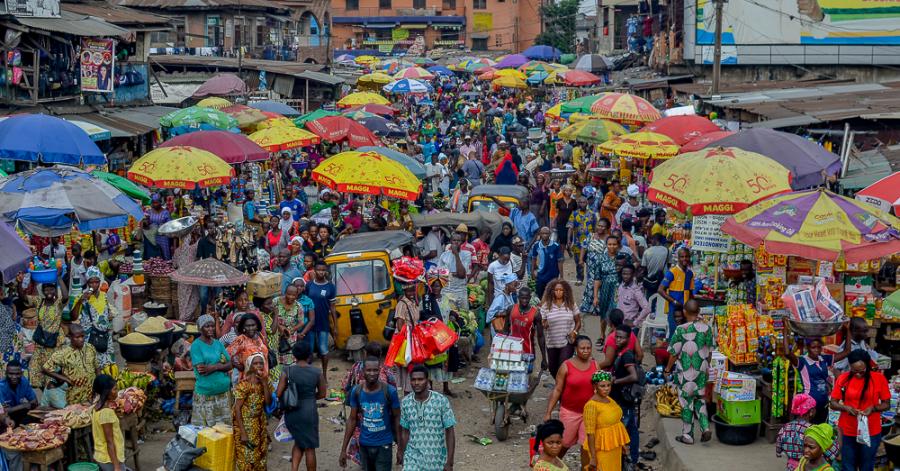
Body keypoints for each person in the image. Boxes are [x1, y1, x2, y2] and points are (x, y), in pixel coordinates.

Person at [830, 349, 891, 471]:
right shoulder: (843, 378)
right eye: (854, 371)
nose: (858, 374)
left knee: (866, 466)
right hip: (847, 430)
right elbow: (833, 403)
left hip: (871, 431)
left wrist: (873, 408)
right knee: (847, 466)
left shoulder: (879, 379)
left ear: (868, 366)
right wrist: (845, 407)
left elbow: (886, 405)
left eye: (862, 371)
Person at [664, 300, 713, 444]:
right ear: (698, 312)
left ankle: (688, 436)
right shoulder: (707, 329)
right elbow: (709, 352)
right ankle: (705, 428)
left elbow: (673, 353)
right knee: (699, 399)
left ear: (685, 312)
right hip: (702, 369)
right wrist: (707, 368)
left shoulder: (681, 329)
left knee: (686, 402)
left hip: (686, 372)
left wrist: (667, 369)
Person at [340, 356, 401, 471]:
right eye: (368, 370)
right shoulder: (356, 391)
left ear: (379, 370)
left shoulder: (390, 391)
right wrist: (344, 450)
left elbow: (397, 418)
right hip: (364, 444)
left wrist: (400, 448)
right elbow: (352, 420)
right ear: (363, 372)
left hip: (384, 445)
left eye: (375, 370)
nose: (372, 373)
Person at [544, 336, 597, 467]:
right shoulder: (566, 366)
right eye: (582, 348)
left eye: (588, 348)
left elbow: (600, 388)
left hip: (589, 413)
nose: (586, 351)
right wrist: (548, 412)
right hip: (569, 412)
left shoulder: (595, 365)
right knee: (564, 443)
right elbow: (557, 390)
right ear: (575, 349)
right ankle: (551, 465)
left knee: (586, 446)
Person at [277, 341, 326, 471]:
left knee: (299, 441)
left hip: (292, 411)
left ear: (294, 355)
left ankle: (294, 469)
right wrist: (310, 397)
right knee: (310, 447)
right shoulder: (316, 372)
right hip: (309, 411)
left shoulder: (287, 370)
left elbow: (278, 393)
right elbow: (322, 394)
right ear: (309, 355)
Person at [398, 364, 456, 471]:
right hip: (412, 457)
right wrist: (402, 451)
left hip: (436, 459)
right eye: (413, 380)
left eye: (420, 379)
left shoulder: (441, 401)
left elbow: (450, 431)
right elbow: (405, 431)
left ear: (427, 380)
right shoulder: (405, 402)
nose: (416, 383)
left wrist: (450, 461)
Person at [18, 277, 66, 390]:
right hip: (40, 343)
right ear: (43, 291)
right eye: (46, 290)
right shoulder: (39, 301)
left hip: (53, 344)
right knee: (36, 371)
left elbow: (66, 296)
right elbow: (23, 297)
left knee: (51, 373)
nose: (49, 292)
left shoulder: (58, 303)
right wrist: (20, 283)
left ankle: (52, 398)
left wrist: (59, 278)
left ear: (55, 290)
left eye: (51, 289)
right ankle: (45, 395)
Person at [783, 323, 833, 424]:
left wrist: (848, 330)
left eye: (819, 347)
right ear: (807, 347)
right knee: (809, 431)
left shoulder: (824, 359)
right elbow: (787, 353)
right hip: (809, 406)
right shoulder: (802, 362)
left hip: (823, 403)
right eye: (813, 347)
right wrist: (785, 329)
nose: (817, 350)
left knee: (822, 432)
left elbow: (847, 352)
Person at [776, 393, 839, 471]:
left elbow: (778, 452)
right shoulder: (813, 431)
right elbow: (833, 453)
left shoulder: (785, 428)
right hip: (812, 467)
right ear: (811, 411)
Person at [582, 370, 630, 471]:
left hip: (614, 446)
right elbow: (590, 433)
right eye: (602, 386)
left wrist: (623, 445)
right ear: (595, 386)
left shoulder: (609, 399)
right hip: (602, 449)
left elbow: (616, 424)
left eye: (608, 385)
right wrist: (593, 458)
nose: (606, 389)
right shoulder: (591, 406)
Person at [190, 314, 232, 427]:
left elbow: (230, 363)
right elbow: (202, 370)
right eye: (207, 326)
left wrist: (214, 367)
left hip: (223, 392)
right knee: (206, 430)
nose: (211, 329)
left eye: (212, 326)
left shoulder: (218, 343)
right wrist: (221, 365)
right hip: (206, 393)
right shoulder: (196, 346)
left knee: (224, 429)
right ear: (200, 328)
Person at [43, 324, 99, 406]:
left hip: (91, 391)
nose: (81, 339)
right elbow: (45, 369)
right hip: (75, 395)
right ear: (70, 337)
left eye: (83, 336)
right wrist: (66, 379)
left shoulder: (90, 348)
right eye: (77, 337)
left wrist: (99, 384)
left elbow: (97, 367)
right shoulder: (63, 353)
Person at [233, 353, 271, 471]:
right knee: (247, 459)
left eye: (261, 363)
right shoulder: (244, 385)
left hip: (260, 423)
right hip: (245, 424)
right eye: (255, 363)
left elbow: (268, 403)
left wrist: (264, 383)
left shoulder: (265, 381)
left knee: (260, 455)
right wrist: (243, 433)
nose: (259, 365)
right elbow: (237, 409)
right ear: (250, 366)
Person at [71, 267, 114, 368]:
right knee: (91, 364)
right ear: (87, 282)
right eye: (91, 282)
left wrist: (110, 326)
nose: (94, 285)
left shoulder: (104, 296)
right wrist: (80, 301)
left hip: (104, 336)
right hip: (90, 338)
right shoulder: (82, 297)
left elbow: (108, 314)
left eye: (96, 282)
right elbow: (73, 317)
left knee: (107, 365)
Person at [609, 325, 640, 466]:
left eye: (621, 337)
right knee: (632, 429)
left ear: (628, 339)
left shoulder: (627, 355)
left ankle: (628, 460)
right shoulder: (620, 352)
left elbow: (633, 376)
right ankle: (631, 459)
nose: (618, 340)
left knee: (625, 431)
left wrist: (615, 381)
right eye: (617, 336)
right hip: (622, 399)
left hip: (624, 400)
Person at [581, 235, 620, 337]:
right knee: (603, 314)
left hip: (617, 289)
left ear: (618, 245)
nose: (612, 247)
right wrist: (595, 296)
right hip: (605, 289)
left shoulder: (622, 257)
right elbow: (597, 279)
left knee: (613, 312)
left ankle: (611, 335)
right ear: (606, 245)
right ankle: (602, 334)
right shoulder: (601, 259)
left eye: (614, 244)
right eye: (609, 244)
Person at [540, 280, 581, 378]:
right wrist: (544, 324)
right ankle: (560, 384)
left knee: (562, 365)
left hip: (567, 341)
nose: (558, 292)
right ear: (552, 291)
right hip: (552, 342)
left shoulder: (571, 304)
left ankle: (561, 389)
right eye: (556, 290)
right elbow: (543, 323)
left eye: (561, 290)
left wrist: (574, 332)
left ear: (565, 291)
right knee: (553, 369)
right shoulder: (546, 306)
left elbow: (578, 322)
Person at [306, 260, 337, 375]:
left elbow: (333, 308)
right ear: (314, 270)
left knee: (323, 349)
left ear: (326, 271)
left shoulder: (330, 287)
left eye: (323, 270)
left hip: (323, 322)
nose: (321, 272)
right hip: (309, 323)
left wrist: (335, 326)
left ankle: (324, 375)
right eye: (318, 270)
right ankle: (308, 376)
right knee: (309, 350)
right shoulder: (309, 285)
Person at [91, 375, 127, 471]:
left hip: (102, 455)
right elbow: (109, 442)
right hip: (109, 459)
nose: (117, 392)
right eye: (115, 389)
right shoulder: (106, 413)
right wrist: (116, 467)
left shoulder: (96, 407)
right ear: (106, 392)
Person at [507, 286, 547, 370]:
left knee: (526, 379)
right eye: (522, 298)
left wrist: (544, 358)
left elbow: (541, 337)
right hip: (512, 351)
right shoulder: (511, 309)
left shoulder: (535, 314)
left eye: (526, 298)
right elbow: (505, 330)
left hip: (528, 353)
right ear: (518, 298)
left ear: (530, 298)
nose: (524, 301)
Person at [658, 247, 694, 337]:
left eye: (686, 256)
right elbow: (660, 290)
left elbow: (690, 292)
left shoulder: (690, 273)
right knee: (674, 332)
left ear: (689, 257)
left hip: (685, 308)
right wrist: (674, 302)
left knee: (685, 333)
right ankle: (672, 350)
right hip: (673, 308)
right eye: (682, 257)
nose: (684, 259)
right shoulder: (672, 272)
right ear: (678, 258)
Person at [227, 313, 269, 381]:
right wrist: (238, 366)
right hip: (247, 381)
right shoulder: (241, 340)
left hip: (263, 378)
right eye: (247, 326)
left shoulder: (261, 337)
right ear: (243, 327)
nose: (251, 328)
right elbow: (227, 354)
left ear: (257, 326)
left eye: (253, 325)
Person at [275, 286, 309, 366]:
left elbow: (301, 322)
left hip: (290, 338)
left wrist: (291, 330)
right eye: (288, 294)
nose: (291, 297)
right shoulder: (276, 301)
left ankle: (287, 377)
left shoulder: (298, 306)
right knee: (276, 360)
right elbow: (270, 316)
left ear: (297, 295)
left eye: (293, 295)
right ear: (285, 293)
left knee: (289, 363)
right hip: (276, 335)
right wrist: (280, 327)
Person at [437, 233, 472, 311]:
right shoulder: (444, 255)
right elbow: (440, 274)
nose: (456, 242)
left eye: (458, 240)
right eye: (454, 240)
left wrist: (456, 254)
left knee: (464, 317)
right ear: (450, 241)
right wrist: (454, 274)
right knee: (447, 315)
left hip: (461, 291)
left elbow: (462, 274)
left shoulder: (466, 254)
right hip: (446, 291)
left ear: (461, 242)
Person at [567, 197, 595, 286]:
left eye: (584, 202)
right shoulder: (574, 214)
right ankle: (579, 278)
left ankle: (591, 279)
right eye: (580, 202)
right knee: (579, 262)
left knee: (590, 262)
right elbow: (570, 227)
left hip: (590, 243)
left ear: (587, 203)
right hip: (578, 243)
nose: (582, 204)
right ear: (578, 203)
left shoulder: (592, 214)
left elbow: (596, 229)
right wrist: (569, 239)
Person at [530, 227, 564, 299]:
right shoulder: (536, 245)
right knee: (540, 294)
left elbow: (560, 261)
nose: (544, 235)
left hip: (553, 275)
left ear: (550, 234)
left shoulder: (555, 246)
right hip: (541, 274)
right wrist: (532, 271)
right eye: (543, 233)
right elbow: (533, 258)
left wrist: (561, 276)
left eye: (546, 233)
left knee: (552, 296)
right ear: (540, 234)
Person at [0, 360, 37, 425]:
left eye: (17, 374)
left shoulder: (24, 381)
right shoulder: (1, 386)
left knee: (35, 416)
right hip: (5, 417)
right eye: (11, 374)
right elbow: (3, 411)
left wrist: (11, 409)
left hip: (18, 413)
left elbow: (34, 402)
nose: (14, 377)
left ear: (21, 373)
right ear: (6, 373)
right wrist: (23, 405)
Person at [617, 264, 651, 329]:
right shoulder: (621, 286)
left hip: (629, 327)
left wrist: (635, 322)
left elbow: (647, 308)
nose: (625, 276)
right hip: (619, 323)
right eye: (624, 274)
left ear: (633, 275)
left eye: (628, 274)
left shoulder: (636, 291)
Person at [145, 194, 172, 260]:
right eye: (153, 203)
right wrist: (147, 220)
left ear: (160, 202)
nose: (155, 204)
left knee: (165, 254)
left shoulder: (165, 212)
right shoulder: (149, 212)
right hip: (152, 237)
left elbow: (170, 224)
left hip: (163, 237)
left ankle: (167, 266)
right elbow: (146, 225)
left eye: (156, 202)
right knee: (153, 255)